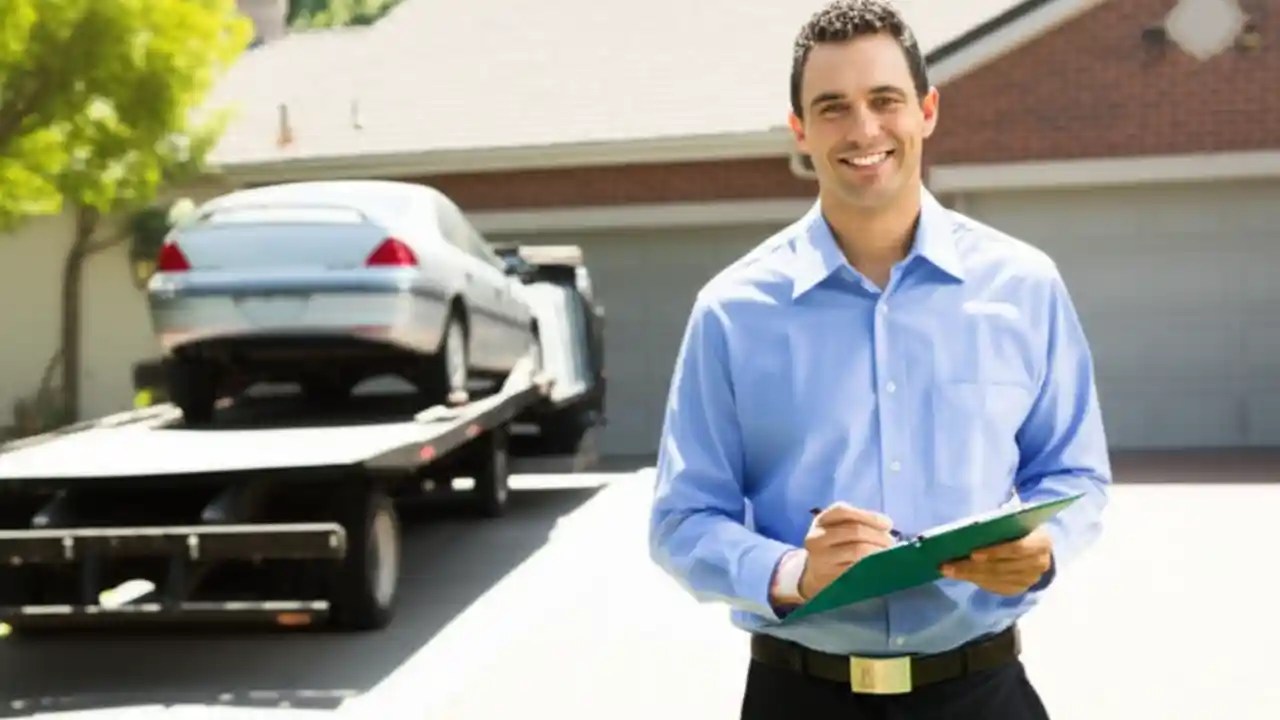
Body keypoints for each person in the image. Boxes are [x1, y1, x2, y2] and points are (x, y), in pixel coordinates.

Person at [647, 1, 1111, 717]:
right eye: (832, 107)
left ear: (926, 110)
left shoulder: (1024, 287)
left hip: (983, 694)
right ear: (799, 129)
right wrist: (793, 572)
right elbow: (682, 519)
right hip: (798, 697)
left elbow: (1077, 472)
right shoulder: (731, 312)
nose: (863, 130)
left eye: (884, 100)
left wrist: (1043, 545)